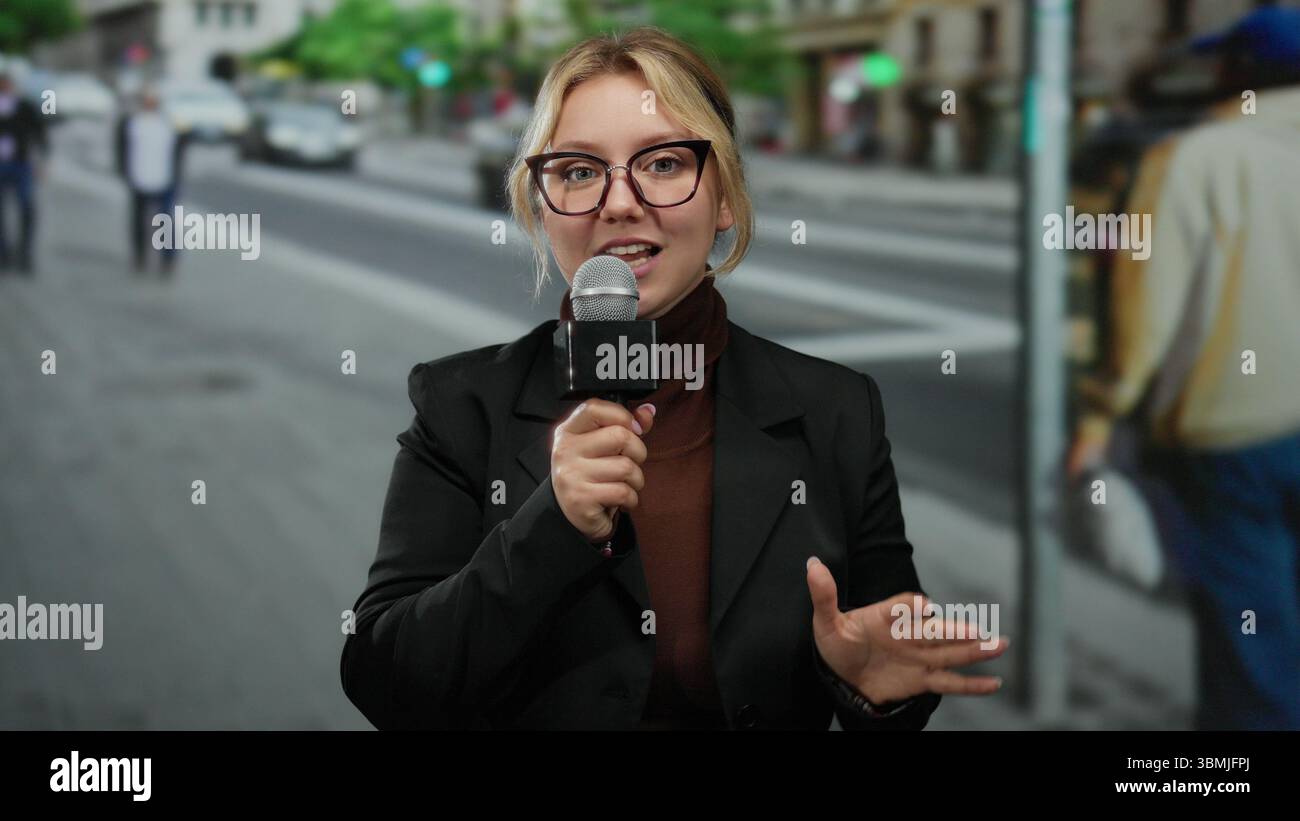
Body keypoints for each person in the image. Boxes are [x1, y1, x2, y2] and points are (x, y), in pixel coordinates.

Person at [341, 27, 1008, 730]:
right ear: (543, 205)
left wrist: (874, 689)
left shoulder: (837, 410)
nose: (619, 201)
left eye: (661, 163)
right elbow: (385, 678)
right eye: (577, 171)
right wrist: (551, 526)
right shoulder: (459, 406)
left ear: (723, 197)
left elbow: (891, 668)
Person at [1067, 6, 1300, 730]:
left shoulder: (1192, 161)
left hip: (1232, 444)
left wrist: (1098, 423)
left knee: (1252, 655)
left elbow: (1145, 317)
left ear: (1236, 72)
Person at [115, 87, 187, 277]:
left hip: (164, 178)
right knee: (139, 221)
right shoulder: (132, 123)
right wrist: (125, 171)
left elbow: (179, 149)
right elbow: (123, 148)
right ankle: (140, 257)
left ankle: (167, 261)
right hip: (139, 177)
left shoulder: (168, 123)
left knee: (165, 221)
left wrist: (176, 176)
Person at [0, 70, 47, 275]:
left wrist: (41, 160)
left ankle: (25, 252)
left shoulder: (25, 107)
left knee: (27, 207)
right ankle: (4, 253)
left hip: (20, 163)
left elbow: (39, 133)